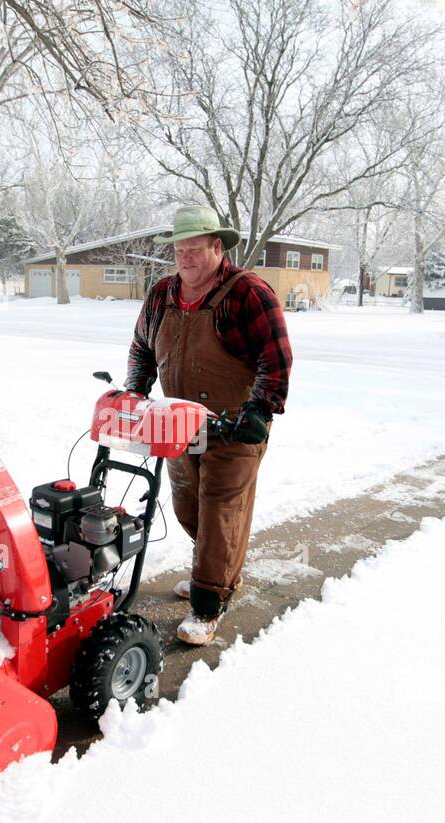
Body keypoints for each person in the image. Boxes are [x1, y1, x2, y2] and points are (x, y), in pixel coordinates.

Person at [124, 206, 292, 645]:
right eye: (179, 251)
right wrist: (135, 392)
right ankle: (215, 573)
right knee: (188, 507)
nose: (185, 259)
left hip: (233, 427)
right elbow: (142, 347)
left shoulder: (248, 294)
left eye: (194, 250)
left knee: (221, 512)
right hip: (180, 425)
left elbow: (275, 358)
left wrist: (261, 409)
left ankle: (208, 601)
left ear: (218, 248)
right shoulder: (162, 294)